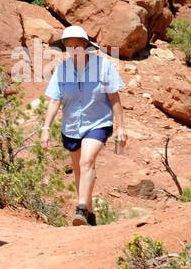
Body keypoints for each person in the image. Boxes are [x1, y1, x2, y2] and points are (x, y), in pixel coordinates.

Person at [41, 25, 127, 226]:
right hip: (71, 126)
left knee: (87, 161)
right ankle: (89, 213)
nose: (74, 50)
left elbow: (114, 97)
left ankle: (79, 208)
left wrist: (121, 126)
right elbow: (54, 101)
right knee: (80, 170)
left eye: (77, 45)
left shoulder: (102, 66)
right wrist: (46, 128)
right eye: (69, 46)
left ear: (86, 46)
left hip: (98, 122)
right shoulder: (61, 70)